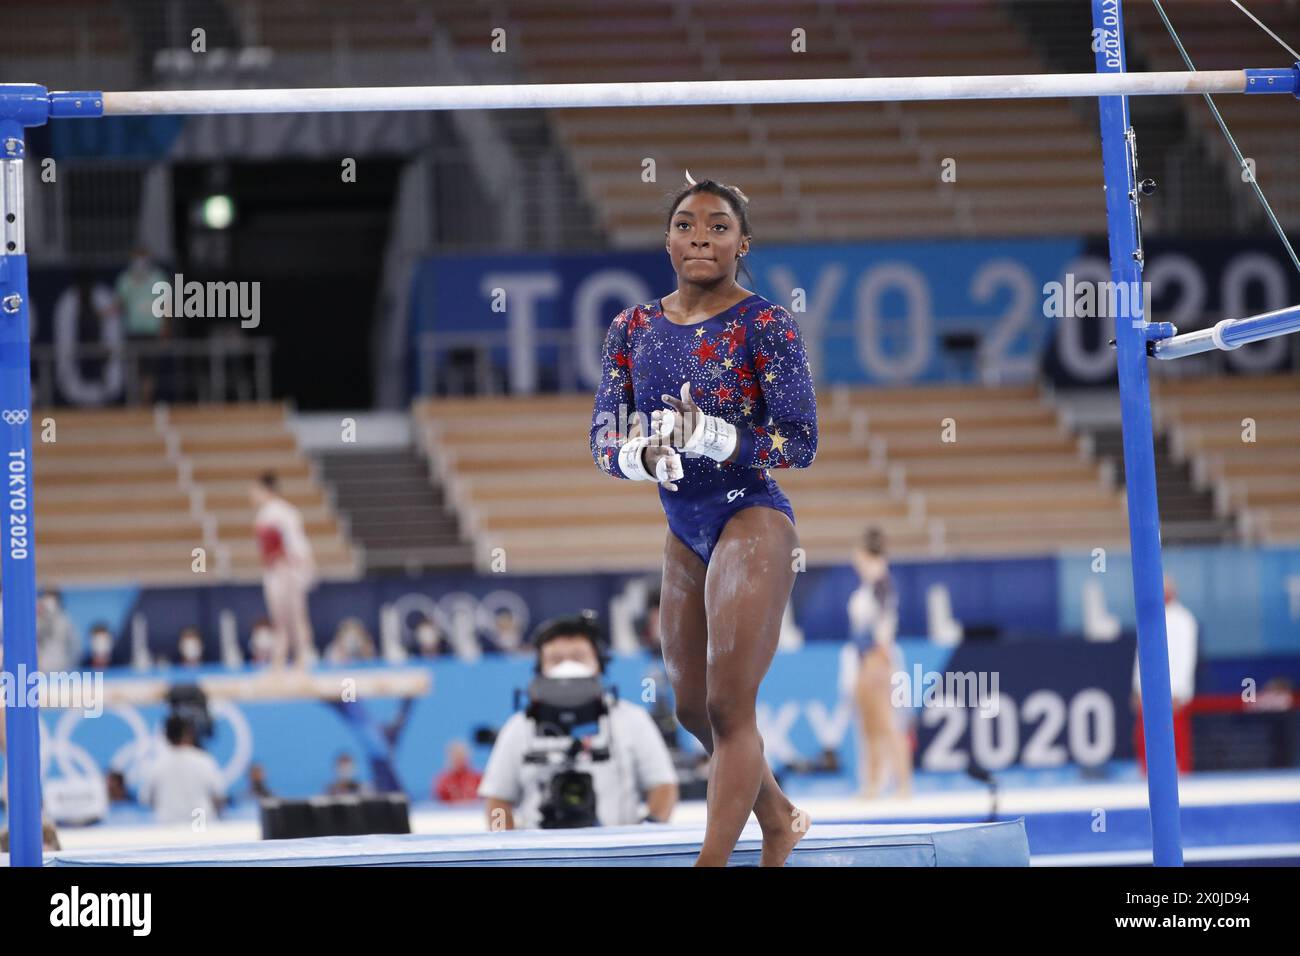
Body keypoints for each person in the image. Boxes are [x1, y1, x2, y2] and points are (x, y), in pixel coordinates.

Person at [588, 173, 818, 865]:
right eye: (688, 223)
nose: (701, 237)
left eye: (719, 226)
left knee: (728, 707)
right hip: (683, 526)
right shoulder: (632, 328)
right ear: (666, 239)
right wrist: (643, 455)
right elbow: (601, 438)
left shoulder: (764, 324)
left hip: (751, 515)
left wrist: (718, 437)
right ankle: (779, 819)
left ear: (743, 243)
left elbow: (800, 441)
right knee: (691, 709)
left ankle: (712, 861)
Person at [477, 612, 678, 830]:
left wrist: (648, 830)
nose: (567, 666)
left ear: (599, 663)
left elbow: (663, 786)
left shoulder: (631, 720)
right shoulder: (519, 726)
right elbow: (497, 799)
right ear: (540, 668)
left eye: (578, 657)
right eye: (555, 659)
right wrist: (507, 847)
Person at [847, 528, 912, 799]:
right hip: (864, 659)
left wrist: (881, 655)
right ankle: (872, 783)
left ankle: (903, 784)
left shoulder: (881, 582)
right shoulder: (869, 585)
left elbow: (885, 620)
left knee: (886, 722)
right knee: (869, 724)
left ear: (865, 555)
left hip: (877, 657)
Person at [249, 472, 317, 669]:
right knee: (279, 621)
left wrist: (304, 569)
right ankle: (279, 661)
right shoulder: (262, 515)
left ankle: (303, 659)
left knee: (296, 618)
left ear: (266, 490)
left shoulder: (285, 513)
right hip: (273, 572)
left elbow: (298, 544)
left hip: (288, 571)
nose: (251, 495)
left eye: (254, 490)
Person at [1132, 575, 1198, 775]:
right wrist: (1137, 688)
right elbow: (1141, 655)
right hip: (1149, 688)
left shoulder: (1184, 620)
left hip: (1172, 689)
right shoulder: (1149, 617)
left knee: (1175, 733)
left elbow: (1186, 656)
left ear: (1172, 592)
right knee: (1144, 733)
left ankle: (1182, 774)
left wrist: (1179, 691)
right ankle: (1146, 773)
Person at [137, 714, 226, 825]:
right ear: (188, 733)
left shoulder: (157, 765)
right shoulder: (203, 760)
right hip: (200, 826)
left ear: (166, 736)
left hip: (169, 828)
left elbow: (145, 799)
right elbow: (219, 796)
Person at [112, 247, 171, 403]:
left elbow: (166, 306)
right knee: (134, 370)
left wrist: (164, 330)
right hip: (133, 331)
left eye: (142, 258)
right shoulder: (125, 280)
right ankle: (135, 403)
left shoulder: (159, 278)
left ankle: (145, 403)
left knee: (148, 371)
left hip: (152, 331)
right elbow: (119, 305)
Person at [36, 589, 79, 674]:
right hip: (41, 670)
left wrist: (69, 666)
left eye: (51, 599)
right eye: (46, 599)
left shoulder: (65, 620)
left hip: (62, 670)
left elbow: (74, 646)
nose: (48, 603)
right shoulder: (37, 621)